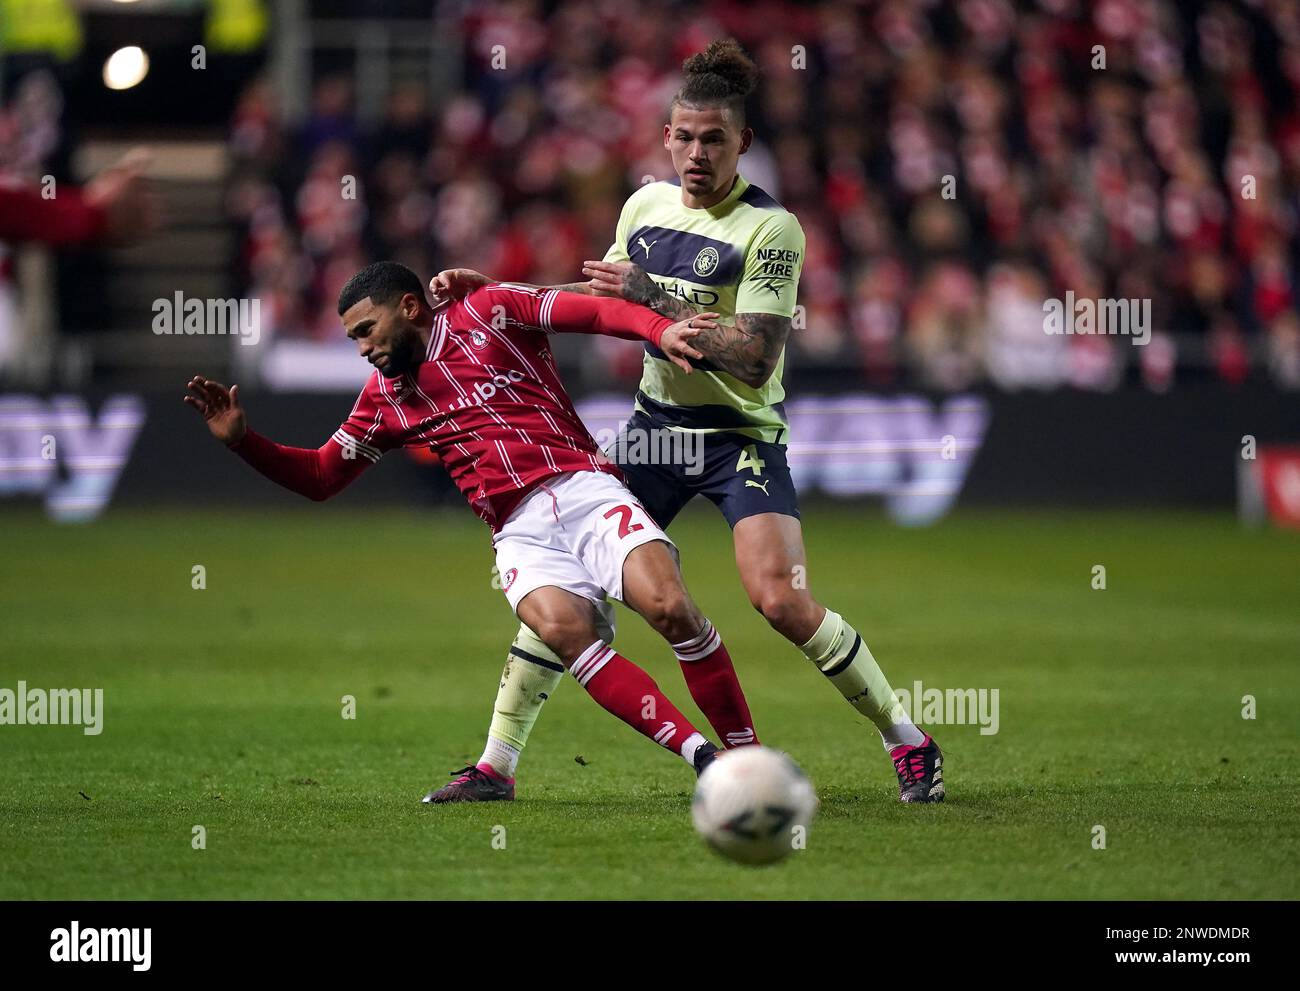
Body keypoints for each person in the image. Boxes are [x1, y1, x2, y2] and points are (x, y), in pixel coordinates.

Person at [427, 39, 944, 804]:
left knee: (780, 598)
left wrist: (657, 298)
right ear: (666, 135)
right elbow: (604, 295)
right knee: (567, 587)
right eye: (684, 136)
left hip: (740, 438)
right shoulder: (645, 205)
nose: (696, 153)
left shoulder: (773, 231)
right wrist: (496, 294)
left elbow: (756, 357)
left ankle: (908, 739)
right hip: (654, 429)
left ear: (744, 143)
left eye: (713, 139)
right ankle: (496, 765)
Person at [184, 260, 737, 787]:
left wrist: (659, 331)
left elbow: (592, 313)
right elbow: (321, 476)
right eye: (354, 339)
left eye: (367, 330)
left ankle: (746, 753)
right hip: (517, 532)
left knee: (669, 608)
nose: (363, 349)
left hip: (582, 488)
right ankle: (707, 759)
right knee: (567, 633)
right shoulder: (384, 401)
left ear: (409, 306)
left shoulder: (488, 309)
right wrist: (243, 443)